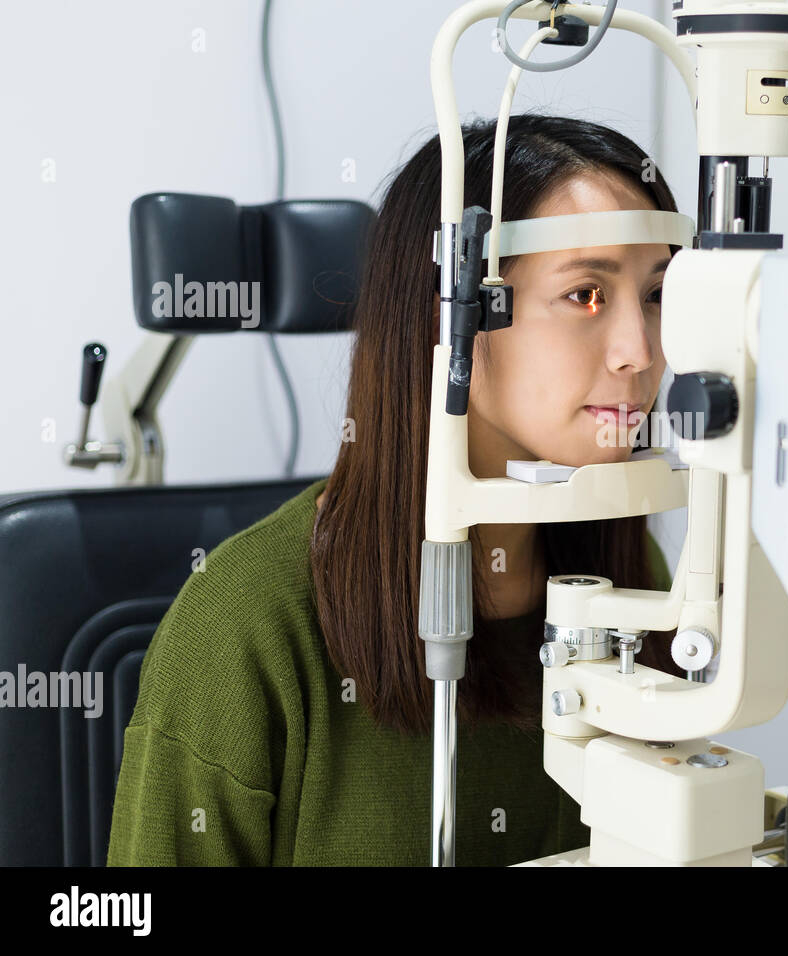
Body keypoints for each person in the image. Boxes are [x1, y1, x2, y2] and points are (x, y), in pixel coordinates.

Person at [107, 114, 682, 866]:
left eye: (657, 296)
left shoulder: (628, 583)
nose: (639, 351)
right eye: (584, 295)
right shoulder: (243, 629)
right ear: (452, 316)